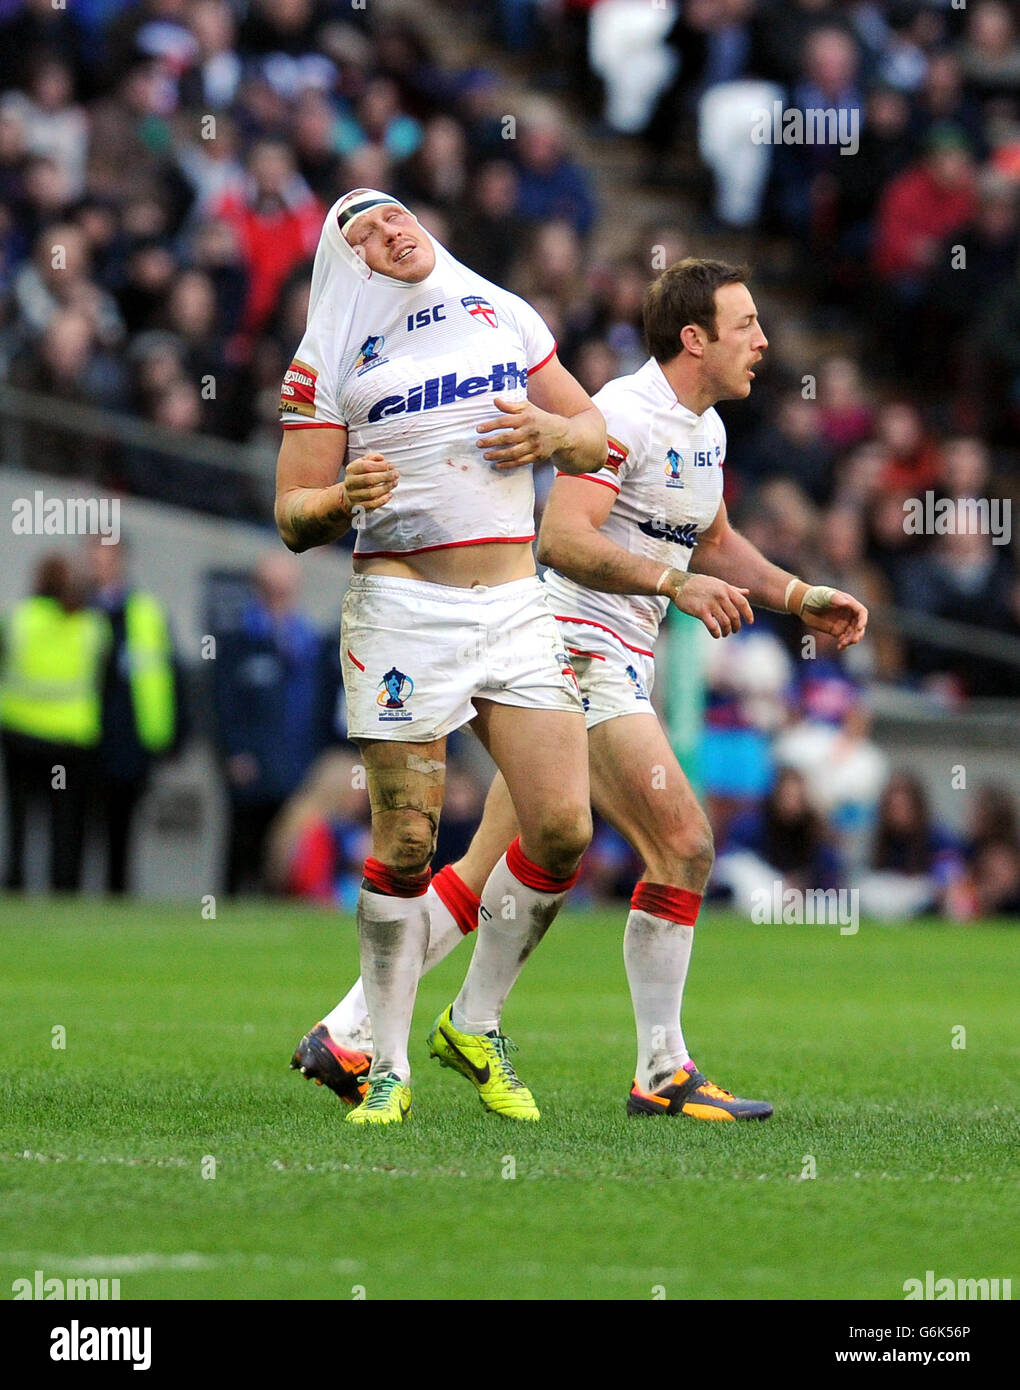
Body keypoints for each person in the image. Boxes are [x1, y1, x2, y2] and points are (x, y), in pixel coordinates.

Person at [293, 257, 869, 1122]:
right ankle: (660, 1071)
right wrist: (671, 588)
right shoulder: (625, 416)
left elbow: (710, 541)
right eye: (745, 325)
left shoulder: (704, 429)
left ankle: (347, 1032)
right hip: (569, 651)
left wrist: (797, 596)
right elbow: (561, 538)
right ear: (694, 338)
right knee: (683, 842)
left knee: (487, 868)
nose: (763, 341)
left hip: (608, 656)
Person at [275, 187, 606, 1125]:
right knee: (408, 844)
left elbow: (593, 434)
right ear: (353, 266)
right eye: (368, 236)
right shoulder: (327, 359)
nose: (392, 233)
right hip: (401, 612)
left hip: (512, 603)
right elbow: (292, 513)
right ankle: (386, 1063)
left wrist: (553, 436)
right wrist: (339, 498)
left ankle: (475, 1020)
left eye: (398, 216)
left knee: (561, 828)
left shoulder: (500, 310)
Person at [212, 550, 338, 895]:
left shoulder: (310, 642)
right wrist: (234, 751)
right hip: (253, 763)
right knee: (243, 845)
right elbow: (223, 703)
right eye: (272, 586)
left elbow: (324, 705)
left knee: (287, 852)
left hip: (299, 762)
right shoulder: (238, 641)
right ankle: (230, 913)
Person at [0, 553, 111, 892]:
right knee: (65, 821)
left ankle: (16, 884)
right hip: (69, 739)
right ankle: (63, 887)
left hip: (21, 733)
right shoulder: (93, 625)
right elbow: (102, 680)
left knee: (18, 819)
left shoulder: (18, 619)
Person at [87, 537, 182, 895]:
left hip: (130, 738)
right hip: (81, 736)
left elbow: (168, 674)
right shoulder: (77, 607)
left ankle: (117, 895)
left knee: (122, 828)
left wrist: (172, 736)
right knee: (77, 827)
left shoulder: (144, 612)